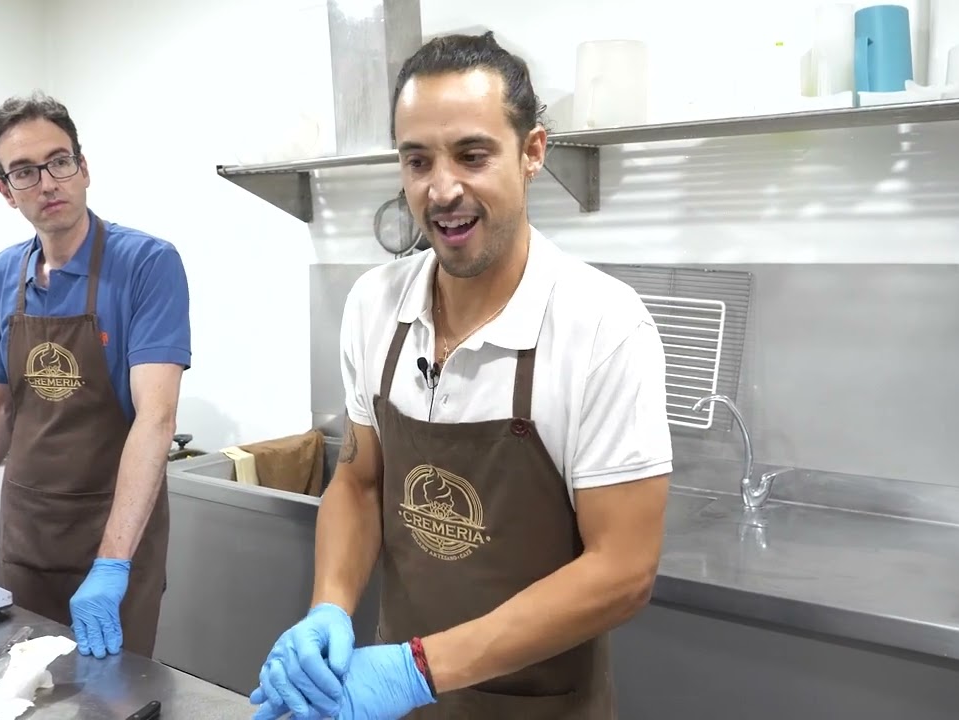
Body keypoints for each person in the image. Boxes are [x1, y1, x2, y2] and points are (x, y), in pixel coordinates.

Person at [250, 31, 672, 720]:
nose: (442, 190)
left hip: (538, 705)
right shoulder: (372, 305)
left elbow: (623, 571)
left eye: (472, 155)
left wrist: (418, 670)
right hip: (393, 699)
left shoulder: (603, 326)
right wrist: (329, 608)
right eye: (418, 161)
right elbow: (358, 483)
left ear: (532, 151)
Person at [0, 91, 191, 660]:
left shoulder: (147, 265)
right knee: (14, 691)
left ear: (84, 168)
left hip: (114, 538)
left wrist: (111, 566)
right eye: (25, 173)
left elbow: (156, 419)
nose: (48, 183)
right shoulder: (1, 276)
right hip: (28, 537)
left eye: (60, 162)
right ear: (5, 192)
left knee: (111, 700)